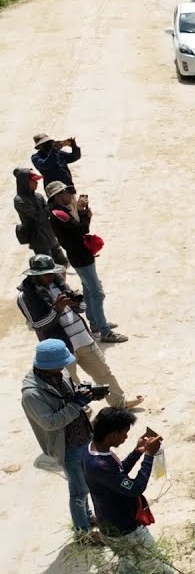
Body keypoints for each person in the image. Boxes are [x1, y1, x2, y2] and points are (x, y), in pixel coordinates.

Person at [85, 408, 189, 574]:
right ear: (112, 434)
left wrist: (138, 451)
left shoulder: (93, 452)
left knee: (129, 566)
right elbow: (133, 488)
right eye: (124, 433)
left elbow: (119, 474)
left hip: (109, 528)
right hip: (126, 529)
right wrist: (149, 457)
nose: (125, 437)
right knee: (155, 568)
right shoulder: (100, 466)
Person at [17, 254, 143, 410]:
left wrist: (75, 303)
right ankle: (80, 411)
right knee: (70, 383)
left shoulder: (59, 283)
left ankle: (119, 403)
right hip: (62, 347)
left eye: (52, 272)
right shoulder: (25, 296)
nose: (51, 276)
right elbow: (38, 325)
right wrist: (57, 309)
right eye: (47, 274)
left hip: (83, 339)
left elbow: (82, 308)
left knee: (104, 373)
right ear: (35, 275)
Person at [21, 339, 109, 546]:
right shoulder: (32, 394)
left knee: (86, 484)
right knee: (78, 491)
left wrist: (87, 395)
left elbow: (72, 394)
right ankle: (83, 534)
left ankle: (86, 518)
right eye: (61, 364)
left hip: (84, 436)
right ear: (48, 366)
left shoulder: (61, 373)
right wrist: (77, 404)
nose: (65, 367)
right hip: (68, 446)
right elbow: (51, 423)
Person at [44, 180, 128, 342]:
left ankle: (96, 323)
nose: (70, 195)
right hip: (80, 257)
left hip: (80, 255)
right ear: (58, 195)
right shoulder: (59, 213)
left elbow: (79, 229)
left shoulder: (60, 211)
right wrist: (82, 212)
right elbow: (82, 229)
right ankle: (105, 331)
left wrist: (82, 213)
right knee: (97, 293)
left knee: (89, 290)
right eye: (66, 192)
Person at [13, 168, 68, 266]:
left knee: (63, 263)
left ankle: (61, 281)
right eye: (33, 181)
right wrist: (52, 205)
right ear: (25, 183)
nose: (36, 183)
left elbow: (48, 213)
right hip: (38, 238)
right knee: (48, 266)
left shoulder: (38, 196)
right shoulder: (20, 200)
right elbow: (40, 216)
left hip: (49, 234)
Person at [31, 134, 81, 211]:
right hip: (55, 192)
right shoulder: (36, 157)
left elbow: (74, 157)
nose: (48, 145)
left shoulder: (58, 153)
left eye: (49, 142)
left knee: (74, 213)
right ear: (39, 146)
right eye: (45, 143)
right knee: (62, 215)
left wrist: (73, 146)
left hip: (68, 187)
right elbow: (46, 164)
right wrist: (54, 150)